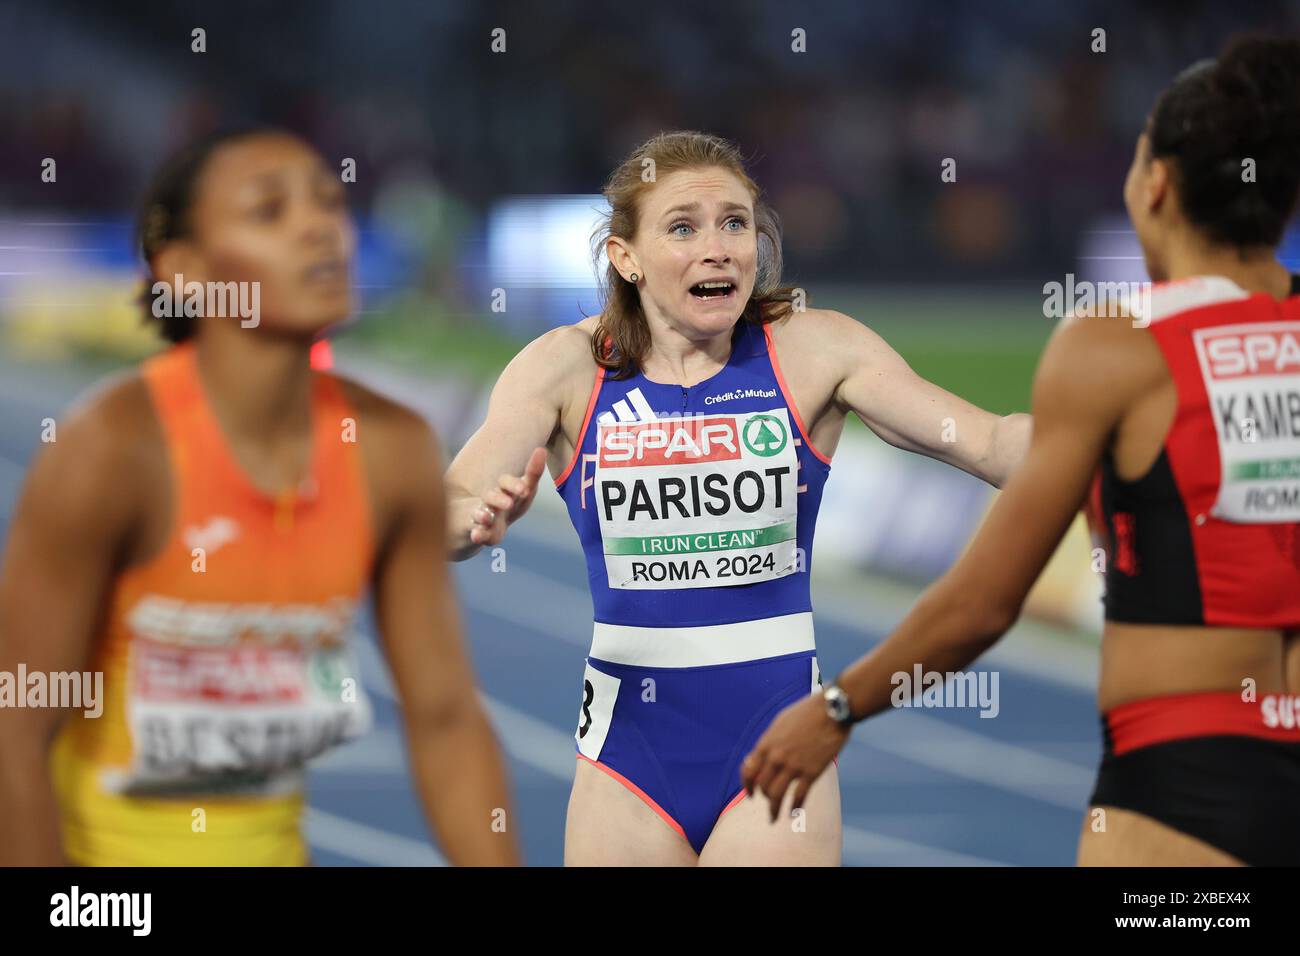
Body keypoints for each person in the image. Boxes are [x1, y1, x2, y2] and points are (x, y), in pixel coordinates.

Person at [742, 34, 1300, 867]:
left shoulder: (1118, 349)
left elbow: (982, 602)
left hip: (1184, 778)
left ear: (1155, 184)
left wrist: (835, 709)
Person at [445, 130, 1031, 865]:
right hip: (626, 759)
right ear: (625, 259)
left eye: (735, 223)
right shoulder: (565, 367)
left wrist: (1114, 444)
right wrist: (472, 519)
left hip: (777, 745)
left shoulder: (815, 352)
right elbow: (453, 501)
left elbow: (984, 441)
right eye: (683, 227)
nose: (717, 248)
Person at [0, 128, 519, 866]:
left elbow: (444, 721)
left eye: (329, 204)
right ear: (185, 269)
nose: (320, 229)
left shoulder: (389, 449)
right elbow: (17, 734)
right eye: (269, 211)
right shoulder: (112, 452)